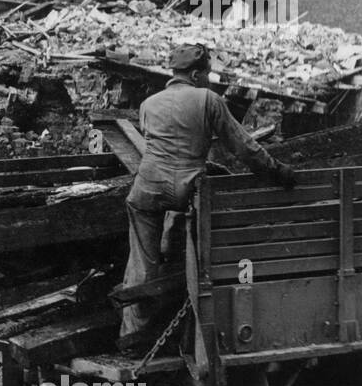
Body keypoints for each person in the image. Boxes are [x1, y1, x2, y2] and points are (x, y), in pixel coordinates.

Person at [119, 42, 296, 353]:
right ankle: (196, 335)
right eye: (209, 75)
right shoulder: (208, 100)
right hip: (188, 188)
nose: (210, 80)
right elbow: (244, 148)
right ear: (197, 73)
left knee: (141, 263)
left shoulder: (149, 104)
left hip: (147, 189)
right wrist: (280, 174)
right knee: (197, 257)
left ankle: (133, 337)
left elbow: (164, 148)